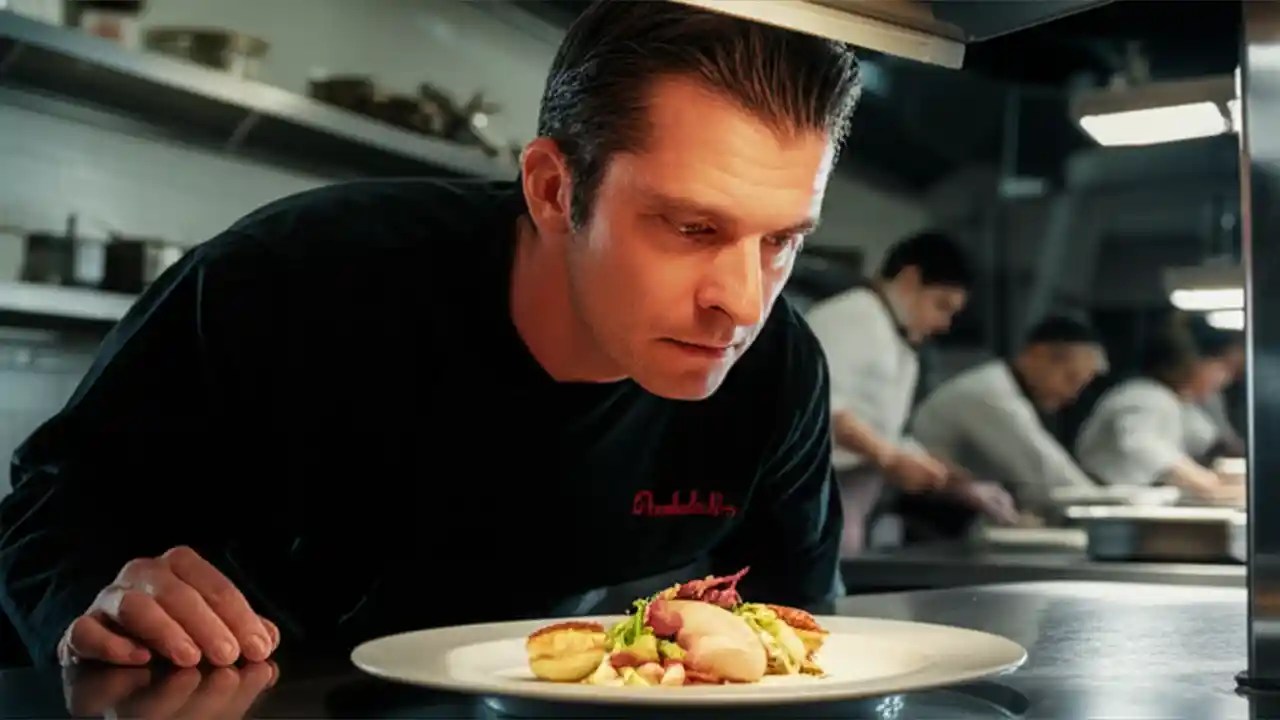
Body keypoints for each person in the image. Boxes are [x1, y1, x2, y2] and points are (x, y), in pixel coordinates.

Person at [0, 2, 862, 668]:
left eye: (783, 240)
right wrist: (94, 596)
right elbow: (47, 513)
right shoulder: (297, 279)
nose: (744, 303)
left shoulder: (776, 371)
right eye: (690, 229)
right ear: (555, 190)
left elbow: (800, 634)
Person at [804, 232, 1017, 557]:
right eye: (941, 306)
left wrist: (952, 481)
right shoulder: (852, 316)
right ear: (909, 279)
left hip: (846, 501)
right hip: (810, 491)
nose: (944, 324)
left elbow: (885, 432)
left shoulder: (895, 337)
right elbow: (822, 406)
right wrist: (888, 458)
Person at [908, 315, 1108, 521]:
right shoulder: (990, 395)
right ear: (1037, 355)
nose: (1072, 394)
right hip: (923, 520)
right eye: (1070, 378)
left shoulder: (1003, 387)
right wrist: (1112, 511)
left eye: (1080, 386)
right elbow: (1050, 480)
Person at [1074, 313, 1243, 499]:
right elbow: (1140, 444)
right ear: (1192, 363)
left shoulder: (1177, 402)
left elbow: (1208, 440)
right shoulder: (1143, 395)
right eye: (1221, 368)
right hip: (1104, 500)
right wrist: (1199, 479)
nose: (1224, 379)